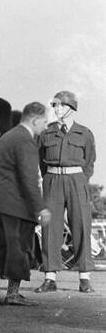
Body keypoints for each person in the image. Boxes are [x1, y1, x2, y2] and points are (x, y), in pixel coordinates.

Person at [0, 102, 51, 306]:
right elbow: (29, 179)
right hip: (16, 204)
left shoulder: (7, 137)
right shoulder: (25, 140)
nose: (45, 126)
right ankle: (13, 293)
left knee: (6, 247)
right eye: (44, 122)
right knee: (20, 247)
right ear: (35, 120)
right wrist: (41, 207)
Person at [36, 90, 96, 294]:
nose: (57, 109)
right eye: (55, 105)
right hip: (52, 179)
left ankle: (84, 278)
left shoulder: (84, 133)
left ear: (71, 108)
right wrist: (50, 178)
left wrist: (78, 179)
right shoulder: (46, 133)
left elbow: (89, 162)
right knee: (49, 228)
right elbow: (40, 160)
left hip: (76, 180)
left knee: (81, 225)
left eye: (61, 105)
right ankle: (50, 277)